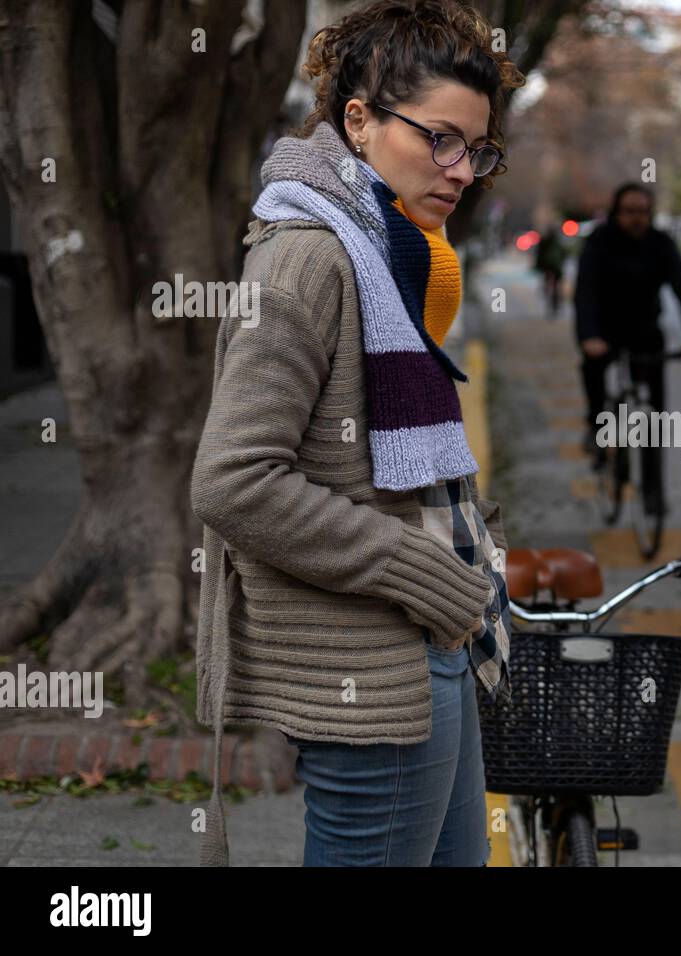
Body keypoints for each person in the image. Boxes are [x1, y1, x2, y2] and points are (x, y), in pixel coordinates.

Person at [190, 0, 523, 867]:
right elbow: (233, 479)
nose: (460, 170)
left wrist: (467, 544)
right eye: (440, 139)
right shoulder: (310, 256)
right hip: (369, 669)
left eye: (478, 150)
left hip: (426, 638)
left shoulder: (388, 248)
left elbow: (379, 454)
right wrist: (421, 569)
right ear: (360, 120)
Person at [574, 183, 681, 512]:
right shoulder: (599, 242)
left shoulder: (661, 244)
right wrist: (589, 336)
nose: (637, 218)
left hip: (645, 332)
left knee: (653, 417)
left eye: (643, 212)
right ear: (617, 213)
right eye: (630, 211)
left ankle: (652, 490)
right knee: (593, 369)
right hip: (604, 329)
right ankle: (595, 425)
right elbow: (585, 292)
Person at [533, 223, 566, 317]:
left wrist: (539, 266)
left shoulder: (544, 241)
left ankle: (549, 296)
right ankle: (555, 302)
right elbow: (564, 253)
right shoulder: (559, 241)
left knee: (549, 284)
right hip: (556, 268)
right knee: (556, 286)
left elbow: (539, 255)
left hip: (548, 267)